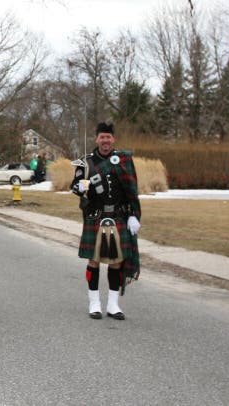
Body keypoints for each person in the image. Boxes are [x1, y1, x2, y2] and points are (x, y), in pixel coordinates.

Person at [71, 122, 141, 320]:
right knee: (94, 261)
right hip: (95, 216)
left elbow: (132, 189)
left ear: (113, 139)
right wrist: (79, 188)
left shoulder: (123, 160)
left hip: (118, 216)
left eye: (108, 137)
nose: (105, 141)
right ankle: (94, 303)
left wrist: (134, 214)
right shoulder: (84, 163)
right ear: (96, 139)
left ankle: (113, 304)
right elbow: (74, 185)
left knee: (116, 262)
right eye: (102, 137)